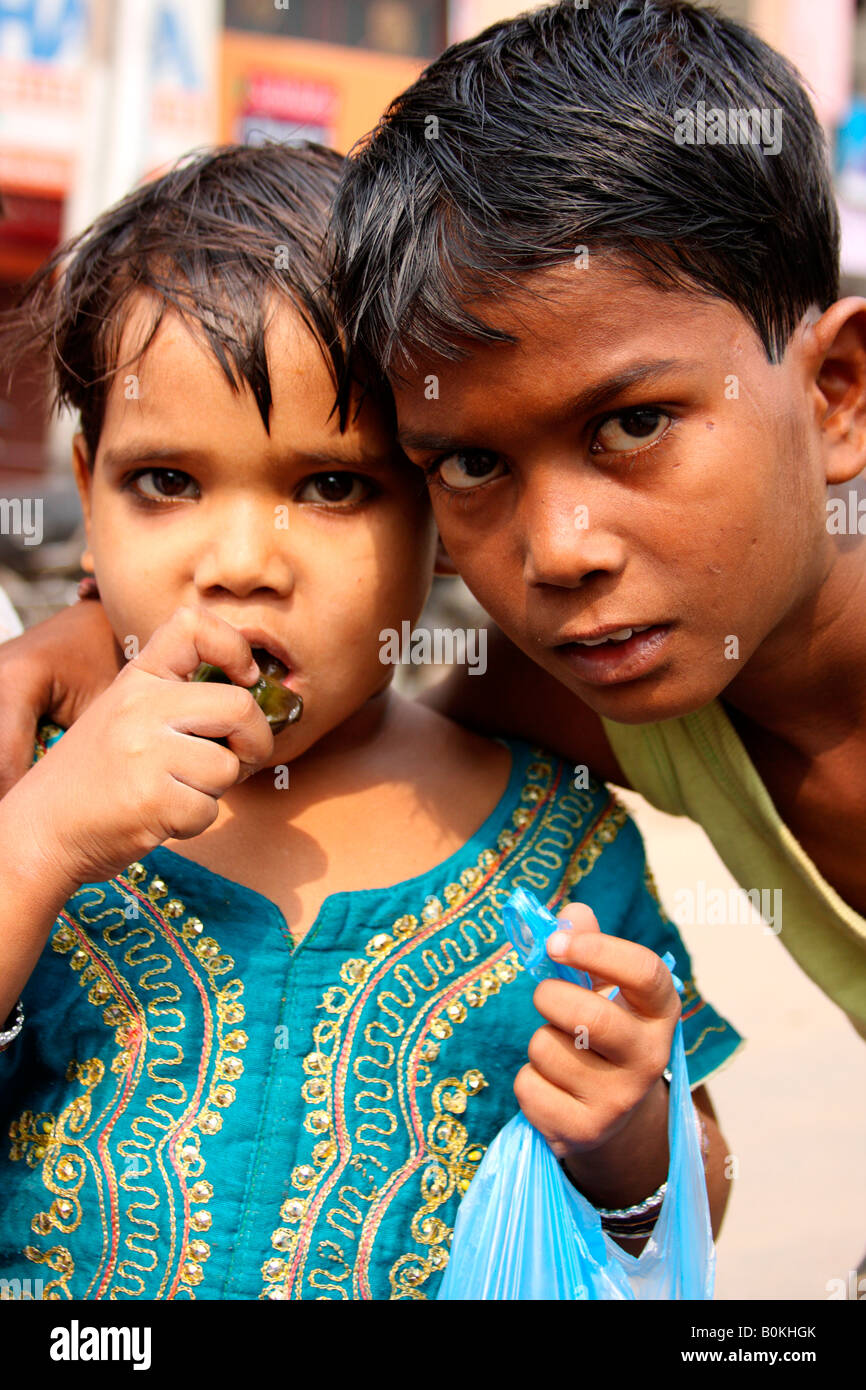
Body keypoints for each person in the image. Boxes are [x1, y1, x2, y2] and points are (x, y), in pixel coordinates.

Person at [0, 143, 738, 1301]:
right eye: (166, 483)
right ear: (88, 492)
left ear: (441, 506)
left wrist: (626, 1145)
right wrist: (37, 843)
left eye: (332, 486)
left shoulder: (557, 837)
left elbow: (692, 1188)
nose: (240, 566)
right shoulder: (25, 781)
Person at [328, 0, 866, 1040]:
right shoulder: (581, 689)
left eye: (631, 425)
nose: (560, 550)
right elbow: (351, 727)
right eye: (472, 464)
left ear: (835, 394)